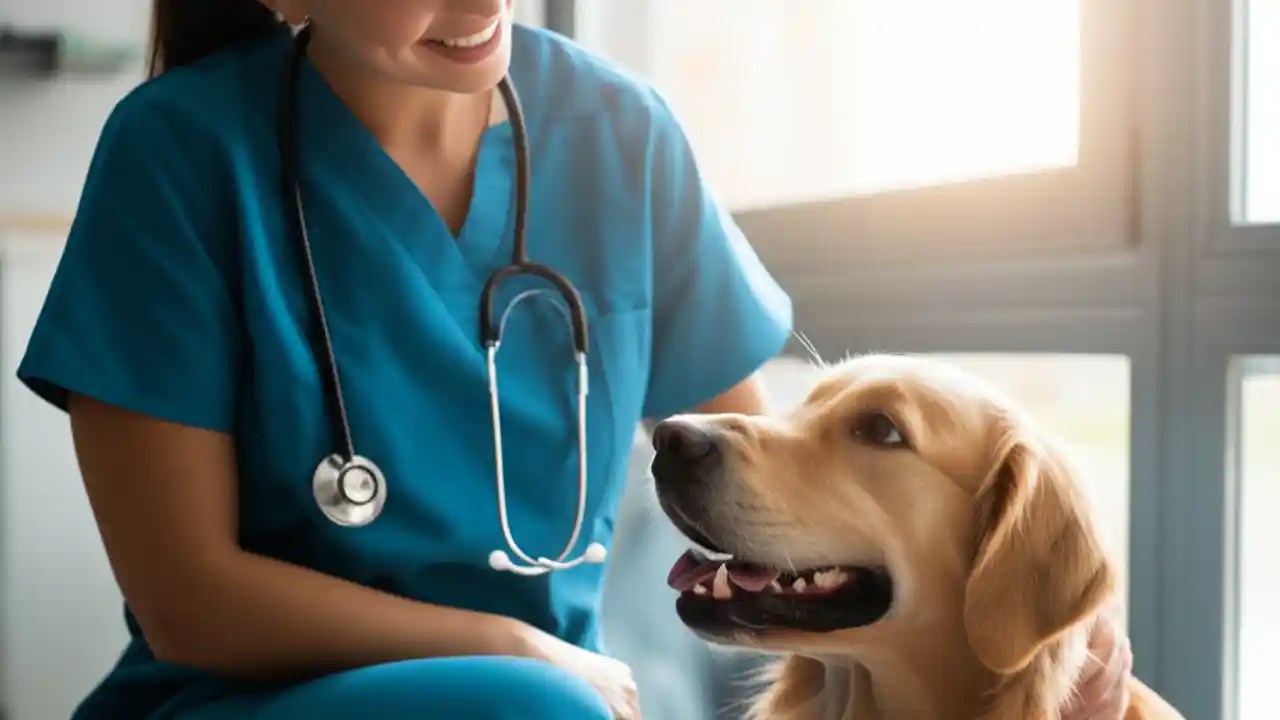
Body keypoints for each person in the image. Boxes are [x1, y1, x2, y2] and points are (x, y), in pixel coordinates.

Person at [14, 1, 1133, 718]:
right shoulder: (176, 155)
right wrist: (513, 647)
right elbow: (189, 607)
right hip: (251, 701)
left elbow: (771, 509)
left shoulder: (617, 133)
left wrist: (1053, 621)